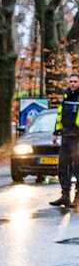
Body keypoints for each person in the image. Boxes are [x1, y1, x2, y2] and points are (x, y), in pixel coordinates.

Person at [52, 73, 79, 206]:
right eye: (71, 81)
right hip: (66, 137)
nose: (73, 84)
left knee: (78, 167)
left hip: (77, 138)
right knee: (63, 167)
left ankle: (78, 197)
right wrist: (56, 132)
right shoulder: (66, 96)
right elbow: (59, 116)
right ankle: (65, 195)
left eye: (75, 81)